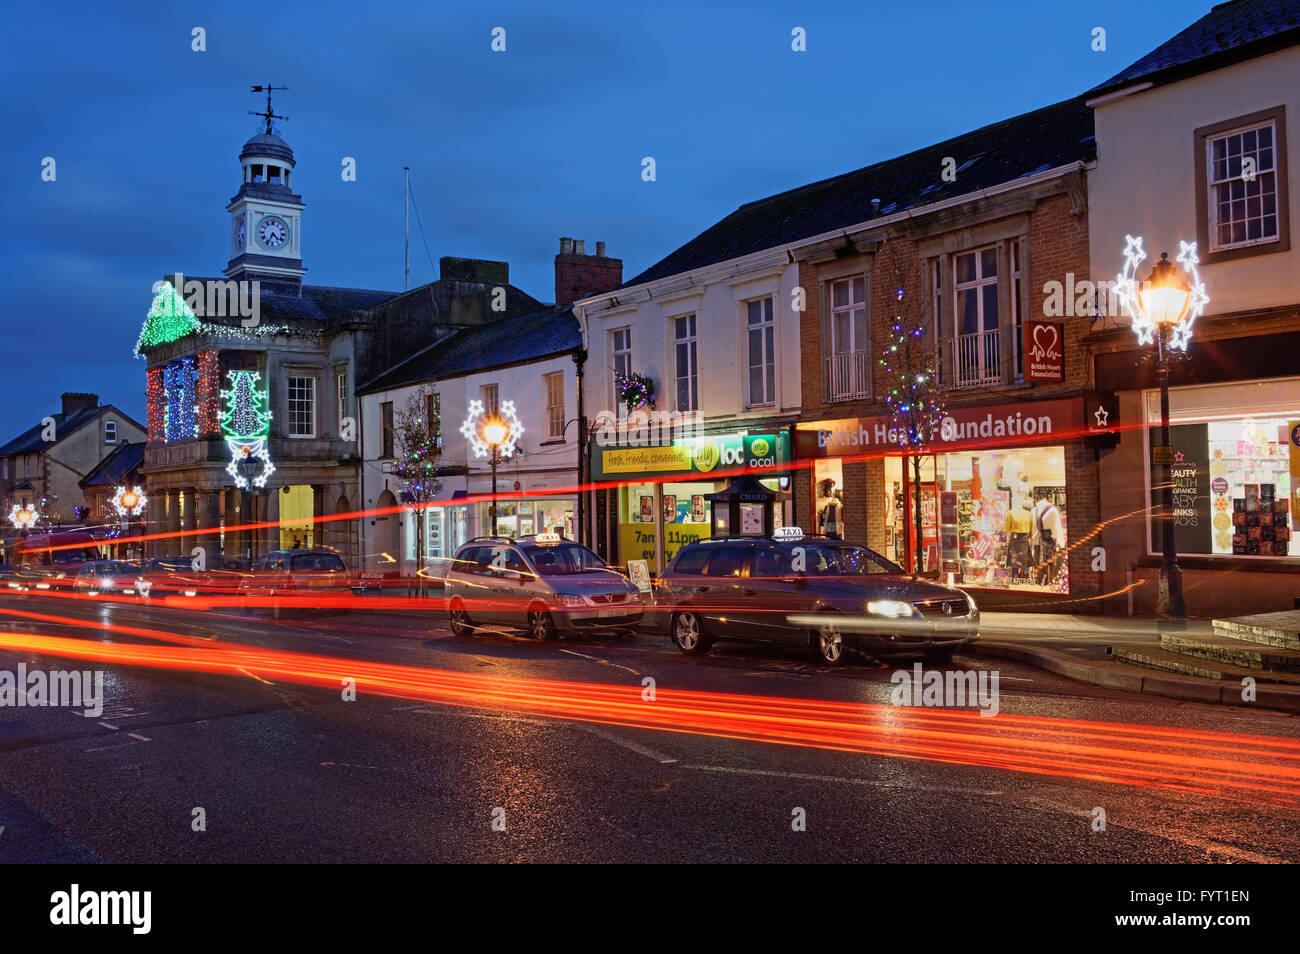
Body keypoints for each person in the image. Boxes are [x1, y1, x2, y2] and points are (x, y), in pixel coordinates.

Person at [1032, 493, 1063, 585]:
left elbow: (1056, 526)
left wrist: (1058, 541)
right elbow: (1057, 527)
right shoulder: (1036, 510)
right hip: (1043, 540)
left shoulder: (1051, 510)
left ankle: (1049, 579)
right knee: (1042, 560)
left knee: (1047, 561)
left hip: (1047, 540)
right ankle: (1044, 579)